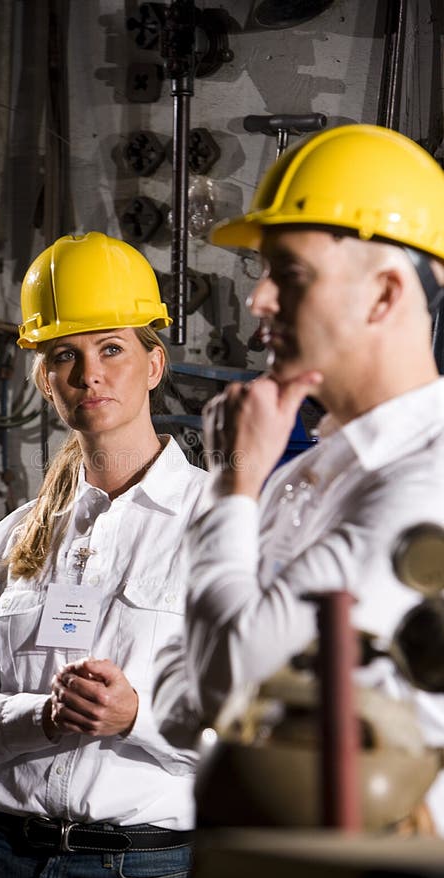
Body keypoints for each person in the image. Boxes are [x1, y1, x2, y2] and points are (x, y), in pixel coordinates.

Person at [152, 123, 444, 832]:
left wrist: (230, 486)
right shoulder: (311, 469)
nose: (259, 302)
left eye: (290, 274)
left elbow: (226, 686)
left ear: (383, 295)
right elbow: (168, 684)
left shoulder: (426, 483)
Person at [0, 231, 208, 878]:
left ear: (155, 365)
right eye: (64, 356)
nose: (90, 374)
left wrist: (139, 717)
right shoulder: (8, 545)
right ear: (46, 382)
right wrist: (41, 719)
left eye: (112, 348)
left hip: (138, 875)